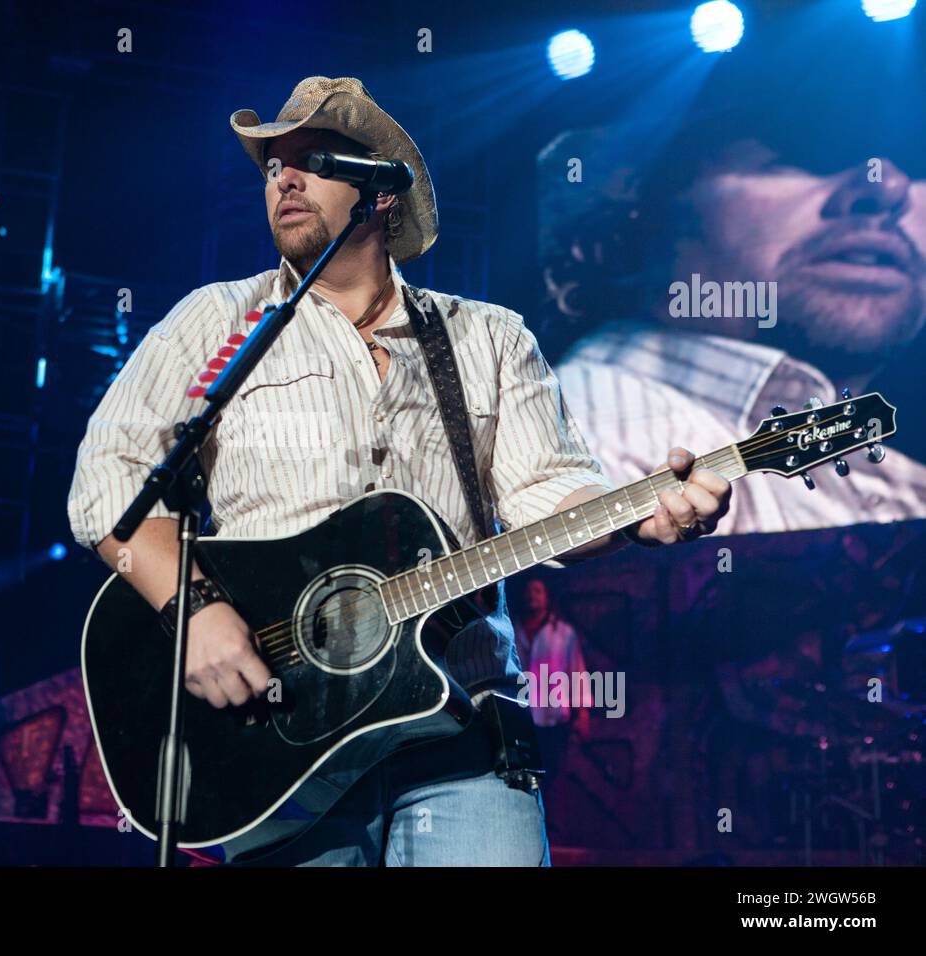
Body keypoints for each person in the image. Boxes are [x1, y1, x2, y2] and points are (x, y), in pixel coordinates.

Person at [66, 76, 731, 866]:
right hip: (282, 741)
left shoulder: (487, 338)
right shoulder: (216, 322)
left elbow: (549, 491)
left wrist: (638, 513)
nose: (283, 178)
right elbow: (107, 483)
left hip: (462, 728)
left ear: (381, 190)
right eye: (272, 167)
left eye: (310, 160)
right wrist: (197, 611)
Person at [539, 104, 926, 534]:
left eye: (917, 162)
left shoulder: (903, 479)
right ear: (644, 210)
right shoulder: (588, 432)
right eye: (805, 152)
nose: (888, 186)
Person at [513, 578, 591, 800]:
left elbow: (576, 671)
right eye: (528, 591)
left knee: (553, 779)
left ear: (547, 596)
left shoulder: (564, 633)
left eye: (537, 591)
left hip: (553, 720)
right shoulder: (510, 629)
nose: (532, 596)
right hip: (520, 718)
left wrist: (582, 713)